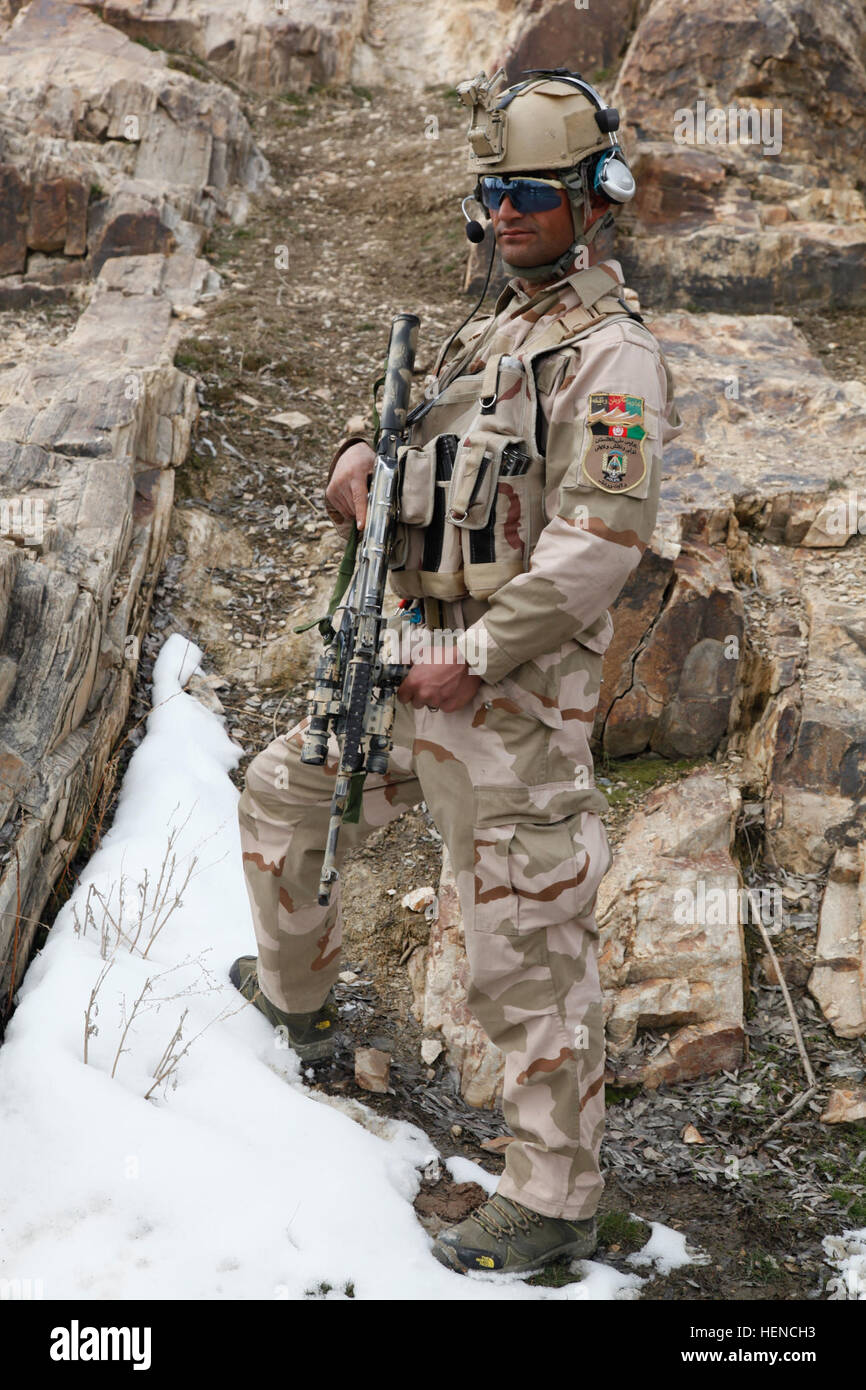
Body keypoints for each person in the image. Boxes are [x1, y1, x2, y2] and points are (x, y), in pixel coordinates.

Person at [231, 69, 682, 1276]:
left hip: (511, 697)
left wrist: (475, 653)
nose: (505, 213)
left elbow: (598, 548)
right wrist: (349, 461)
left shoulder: (612, 362)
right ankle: (301, 1007)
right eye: (492, 192)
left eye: (531, 192)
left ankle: (552, 1202)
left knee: (520, 958)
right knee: (286, 789)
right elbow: (411, 435)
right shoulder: (496, 325)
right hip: (408, 657)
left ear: (593, 200)